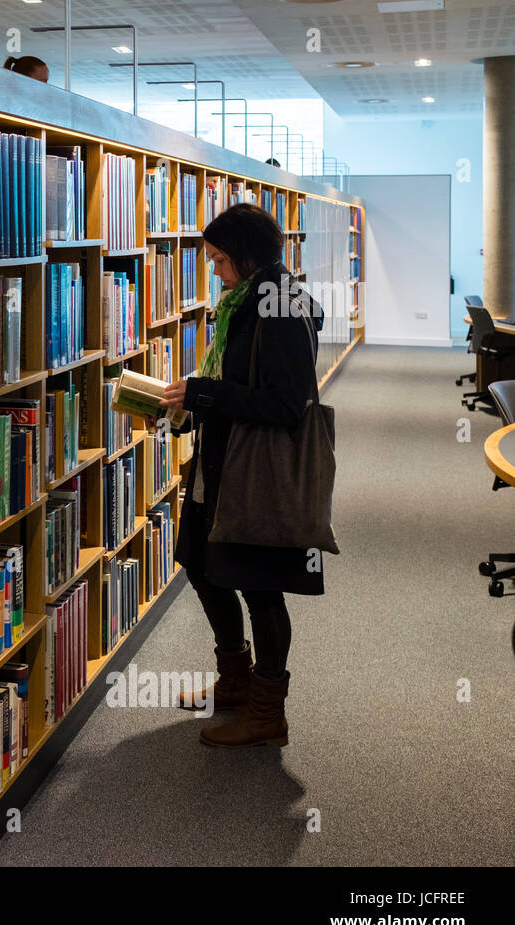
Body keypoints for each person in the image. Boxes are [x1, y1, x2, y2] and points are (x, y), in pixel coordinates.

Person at [159, 202, 324, 749]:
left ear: (248, 258)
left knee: (260, 588)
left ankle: (267, 712)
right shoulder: (242, 303)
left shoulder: (281, 308)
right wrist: (195, 401)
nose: (213, 270)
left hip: (254, 473)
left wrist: (206, 393)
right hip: (220, 459)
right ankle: (235, 680)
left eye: (220, 259)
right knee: (203, 567)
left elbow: (285, 405)